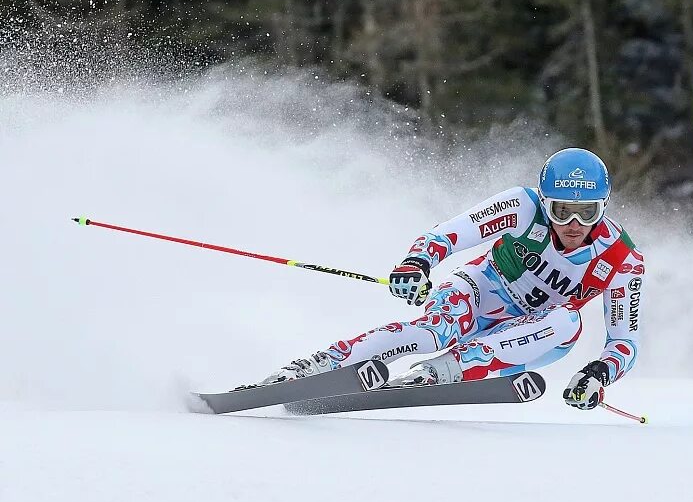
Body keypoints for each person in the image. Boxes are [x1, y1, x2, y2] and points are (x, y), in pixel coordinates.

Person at [257, 148, 645, 410]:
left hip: (532, 335)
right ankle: (317, 366)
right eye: (562, 211)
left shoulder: (622, 259)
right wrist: (417, 263)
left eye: (587, 212)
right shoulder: (522, 205)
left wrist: (597, 375)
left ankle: (440, 371)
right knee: (434, 331)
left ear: (603, 207)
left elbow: (624, 342)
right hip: (481, 288)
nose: (574, 224)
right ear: (545, 202)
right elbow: (448, 234)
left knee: (568, 320)